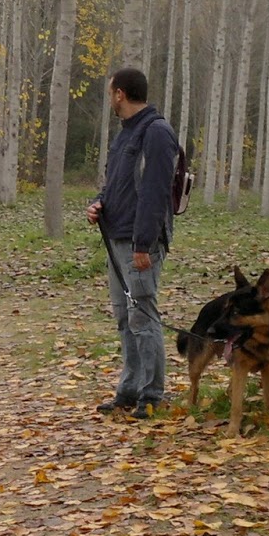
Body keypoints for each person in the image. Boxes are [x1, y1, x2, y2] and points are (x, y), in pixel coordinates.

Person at [87, 67, 178, 420]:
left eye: (111, 92)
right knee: (125, 319)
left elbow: (155, 193)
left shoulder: (156, 133)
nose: (110, 98)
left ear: (120, 94)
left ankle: (152, 394)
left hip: (140, 244)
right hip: (116, 237)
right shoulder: (124, 135)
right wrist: (99, 203)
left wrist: (144, 244)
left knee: (143, 317)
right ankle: (129, 389)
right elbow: (117, 184)